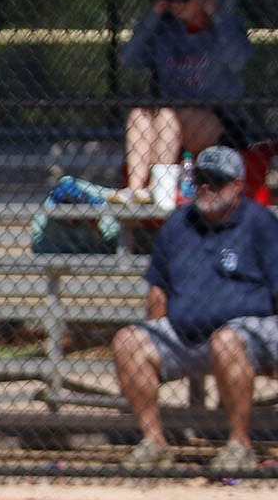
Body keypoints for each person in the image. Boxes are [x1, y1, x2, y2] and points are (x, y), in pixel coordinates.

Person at [113, 146, 278, 473]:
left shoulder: (259, 223)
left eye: (215, 181)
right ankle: (153, 443)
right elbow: (158, 289)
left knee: (227, 340)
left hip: (250, 334)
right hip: (187, 334)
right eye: (200, 179)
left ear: (237, 186)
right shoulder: (179, 223)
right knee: (128, 341)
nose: (205, 187)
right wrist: (153, 335)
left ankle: (239, 445)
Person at [115, 0, 253, 203]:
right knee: (139, 114)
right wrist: (154, 16)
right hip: (171, 118)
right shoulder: (166, 31)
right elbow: (128, 59)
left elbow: (239, 61)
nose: (176, 4)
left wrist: (217, 17)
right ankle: (135, 190)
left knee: (170, 114)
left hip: (220, 122)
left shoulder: (223, 28)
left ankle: (162, 194)